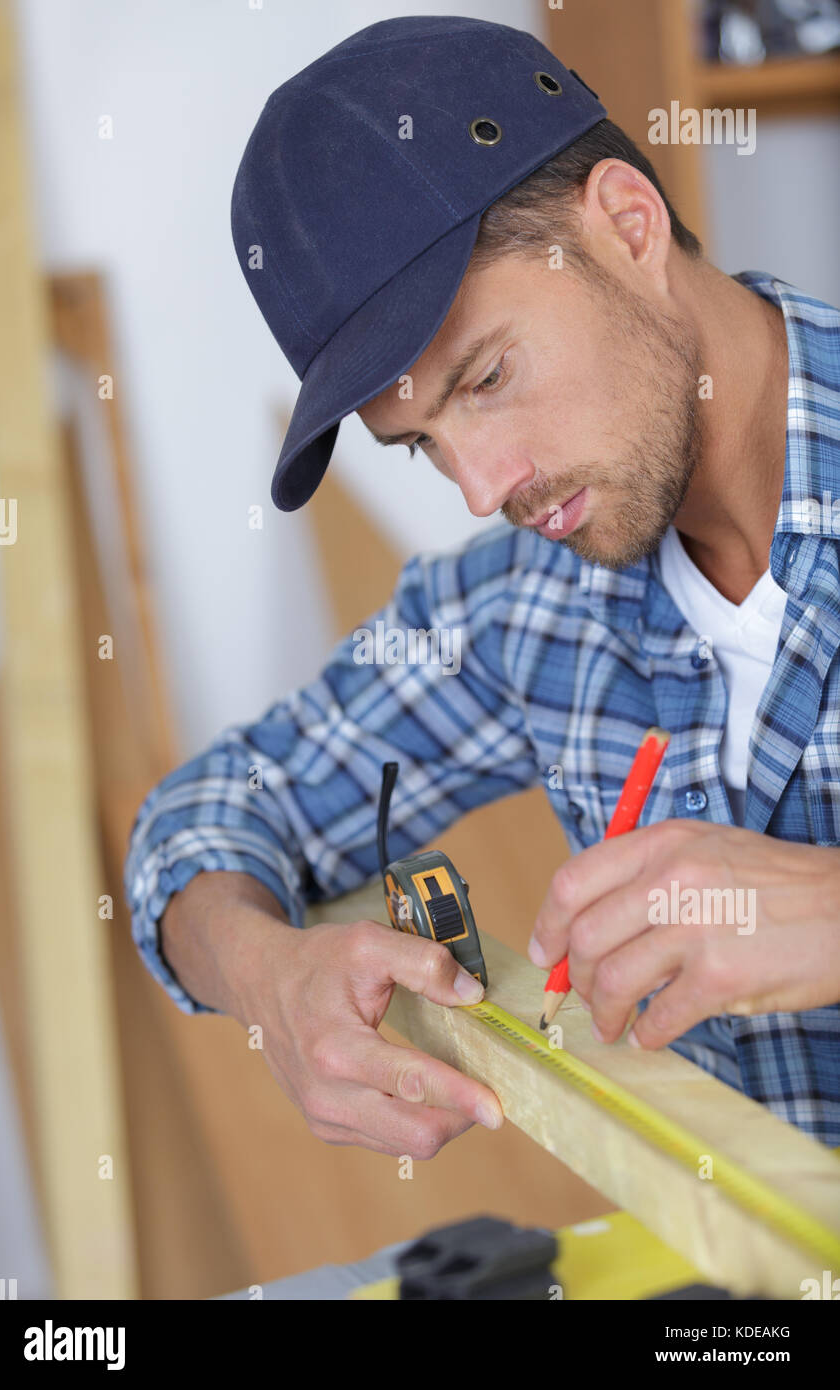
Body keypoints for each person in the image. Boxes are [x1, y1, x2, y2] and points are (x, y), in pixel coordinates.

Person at [124, 16, 840, 1158]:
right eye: (420, 443)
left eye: (489, 375)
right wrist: (270, 977)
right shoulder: (525, 605)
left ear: (624, 224)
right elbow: (203, 816)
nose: (481, 487)